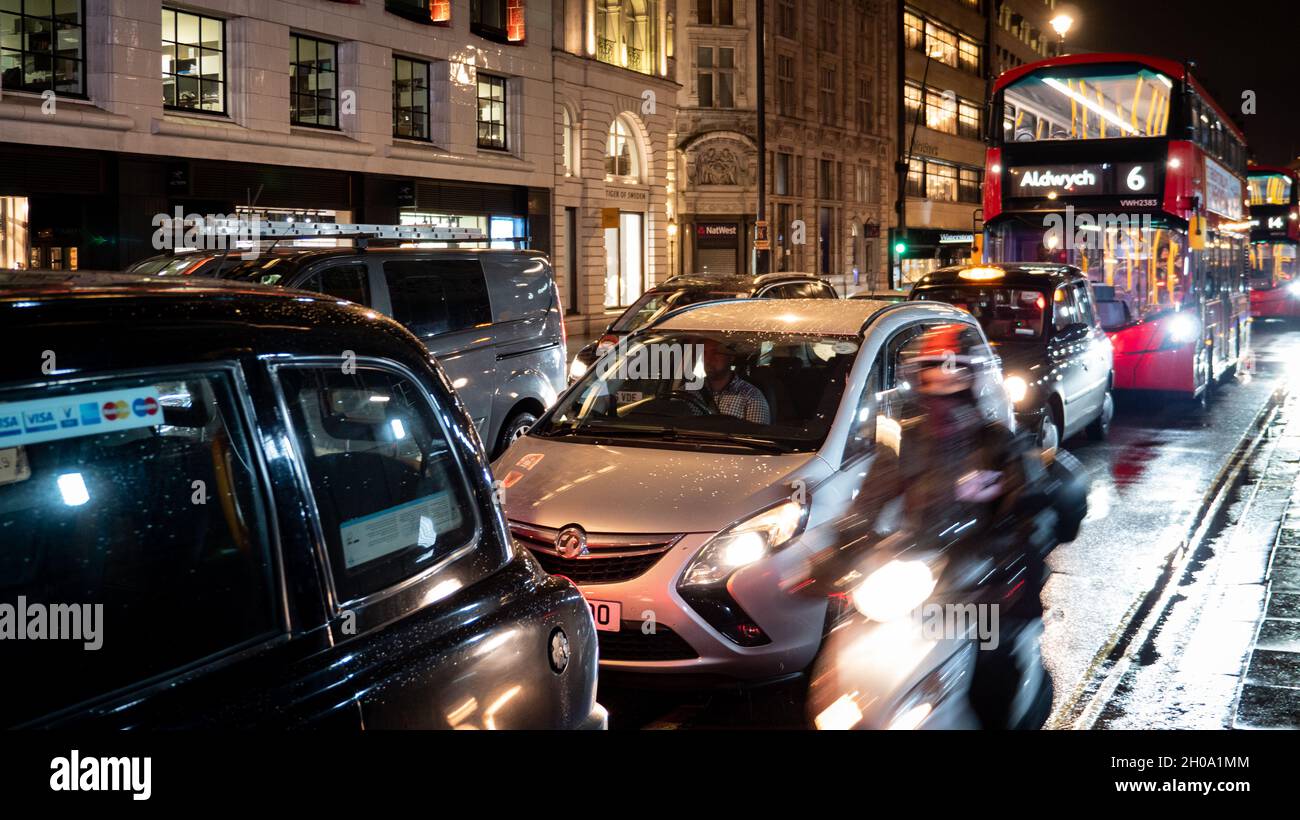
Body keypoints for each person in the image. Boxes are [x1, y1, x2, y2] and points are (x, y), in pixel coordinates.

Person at [691, 338, 771, 424]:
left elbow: (756, 435)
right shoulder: (688, 392)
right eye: (704, 353)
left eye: (715, 353)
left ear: (731, 357)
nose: (708, 359)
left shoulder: (751, 397)